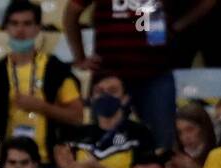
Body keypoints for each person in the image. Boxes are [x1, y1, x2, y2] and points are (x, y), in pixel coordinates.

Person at [0, 0, 82, 168]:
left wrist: (41, 107)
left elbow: (76, 116)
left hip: (46, 165)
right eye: (15, 24)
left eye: (27, 24)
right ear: (6, 28)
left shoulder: (56, 69)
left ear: (37, 28)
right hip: (6, 166)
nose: (20, 30)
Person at [63, 0, 175, 149]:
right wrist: (80, 57)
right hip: (109, 76)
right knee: (103, 142)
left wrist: (178, 26)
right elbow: (71, 12)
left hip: (154, 74)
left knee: (161, 144)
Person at [166, 103, 217, 168]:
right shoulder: (174, 156)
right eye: (180, 132)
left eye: (190, 129)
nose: (185, 137)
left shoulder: (218, 155)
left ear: (204, 128)